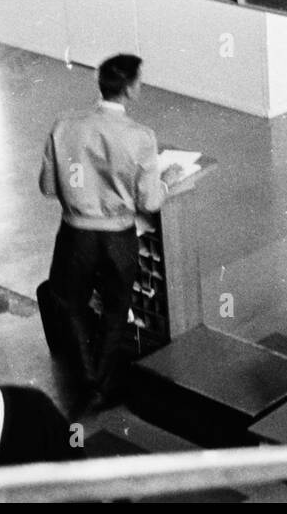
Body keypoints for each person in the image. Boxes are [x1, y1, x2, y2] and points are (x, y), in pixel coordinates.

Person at [39, 54, 184, 411]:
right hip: (118, 238)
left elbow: (46, 186)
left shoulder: (63, 126)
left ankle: (83, 377)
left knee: (71, 304)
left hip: (74, 236)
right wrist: (166, 180)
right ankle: (101, 384)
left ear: (99, 84)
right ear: (132, 88)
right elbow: (149, 202)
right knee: (116, 310)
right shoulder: (140, 137)